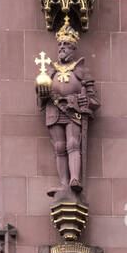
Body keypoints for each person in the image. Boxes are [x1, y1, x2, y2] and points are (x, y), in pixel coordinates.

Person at [36, 24, 100, 199]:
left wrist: (85, 101)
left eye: (66, 44)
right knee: (59, 147)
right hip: (54, 110)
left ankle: (74, 180)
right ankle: (63, 183)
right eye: (60, 45)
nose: (62, 48)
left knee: (73, 144)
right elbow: (40, 99)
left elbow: (94, 100)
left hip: (73, 111)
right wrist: (42, 94)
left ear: (73, 48)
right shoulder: (50, 71)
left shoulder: (81, 70)